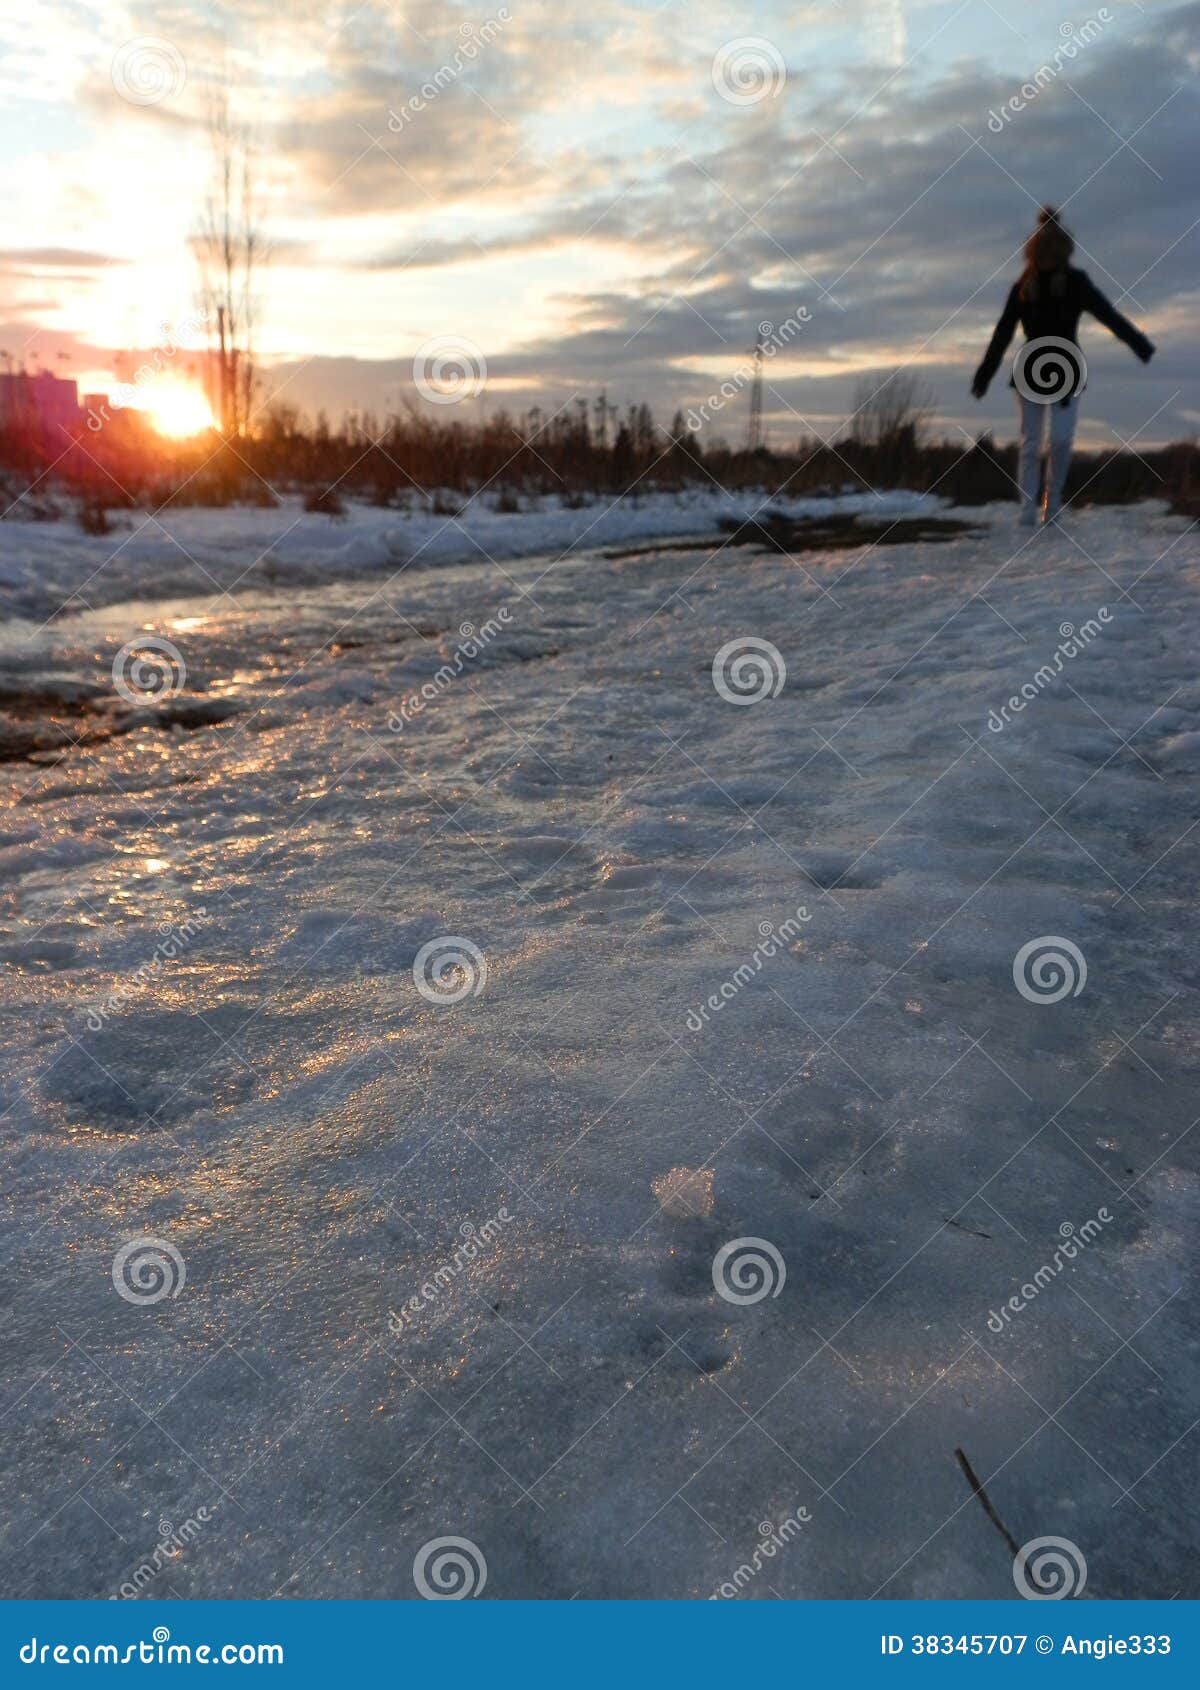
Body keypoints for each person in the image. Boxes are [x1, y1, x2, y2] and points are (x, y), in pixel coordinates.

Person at [971, 206, 1155, 527]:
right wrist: (984, 375)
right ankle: (1027, 507)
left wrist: (1140, 345)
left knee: (1060, 440)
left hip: (1067, 370)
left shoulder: (1076, 283)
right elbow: (1002, 332)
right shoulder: (1023, 287)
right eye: (1040, 255)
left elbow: (1108, 315)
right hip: (1030, 369)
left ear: (1060, 253)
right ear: (1034, 254)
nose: (1045, 260)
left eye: (1050, 254)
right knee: (1030, 443)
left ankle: (1051, 502)